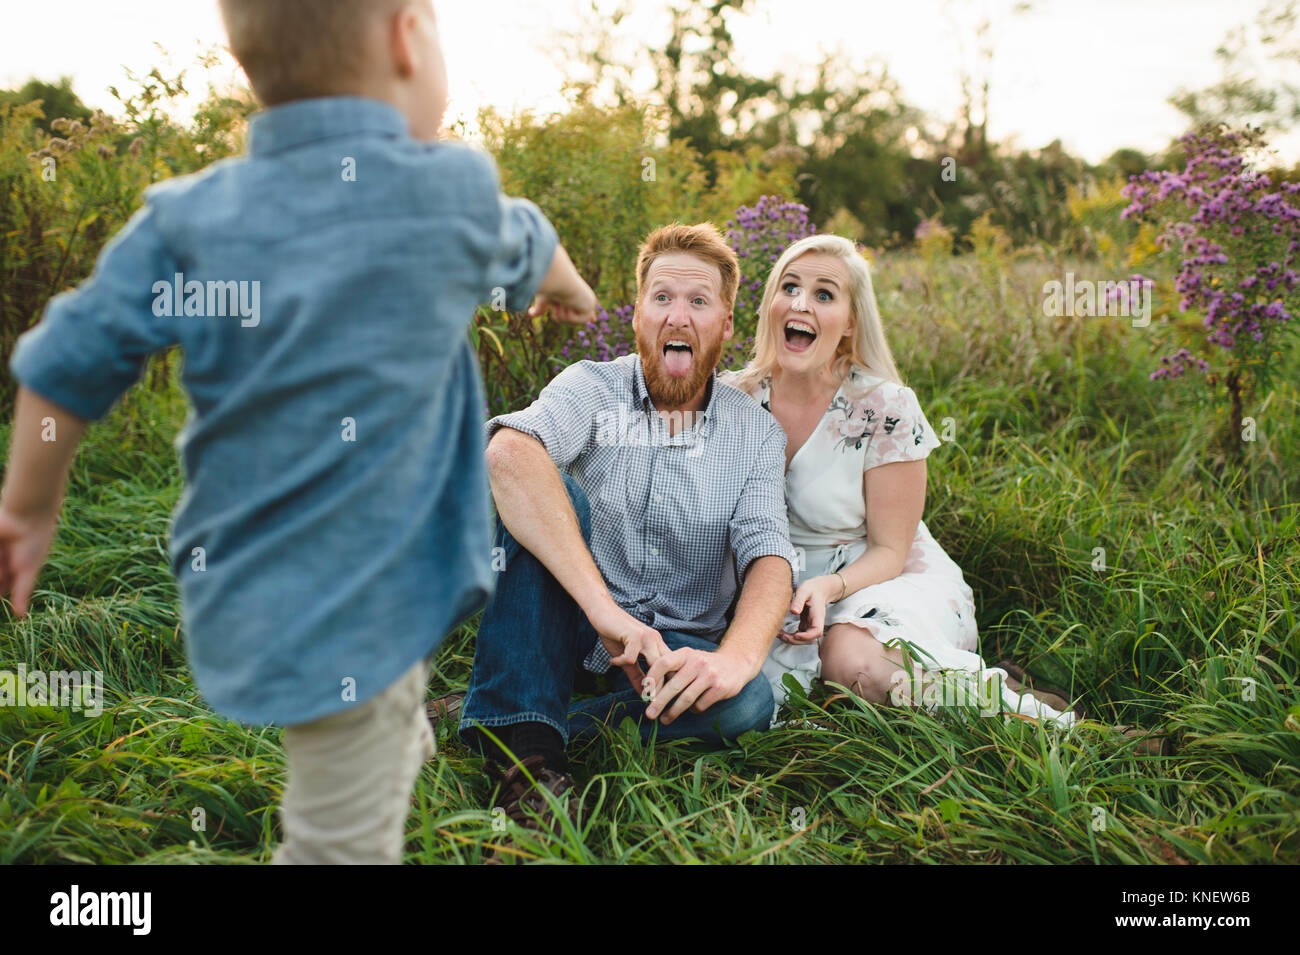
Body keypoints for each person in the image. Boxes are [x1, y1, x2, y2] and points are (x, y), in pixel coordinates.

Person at [0, 0, 595, 864]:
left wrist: (27, 506)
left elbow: (65, 363)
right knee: (339, 844)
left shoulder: (186, 218)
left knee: (363, 729)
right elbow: (533, 243)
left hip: (243, 584)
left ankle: (387, 731)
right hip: (358, 602)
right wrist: (571, 292)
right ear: (404, 37)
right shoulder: (449, 191)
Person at [458, 222, 796, 830]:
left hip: (673, 656)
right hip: (571, 634)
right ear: (637, 315)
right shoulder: (591, 386)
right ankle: (530, 766)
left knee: (749, 703)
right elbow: (506, 455)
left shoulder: (756, 433)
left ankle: (509, 718)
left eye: (699, 302)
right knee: (545, 479)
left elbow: (769, 557)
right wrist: (605, 613)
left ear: (725, 325)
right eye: (662, 298)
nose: (678, 317)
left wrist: (739, 659)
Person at [722, 234, 1078, 728]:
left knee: (855, 666)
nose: (801, 303)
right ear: (770, 305)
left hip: (879, 576)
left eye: (824, 294)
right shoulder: (732, 399)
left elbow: (892, 550)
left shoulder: (885, 407)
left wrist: (829, 587)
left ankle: (1068, 729)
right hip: (773, 585)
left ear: (849, 323)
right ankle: (992, 682)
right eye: (790, 287)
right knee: (755, 690)